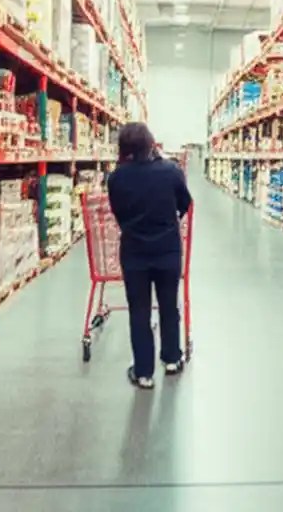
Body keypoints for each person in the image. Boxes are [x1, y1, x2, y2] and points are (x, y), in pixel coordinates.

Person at [106, 122, 192, 389]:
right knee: (169, 305)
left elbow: (117, 211)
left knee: (139, 311)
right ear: (150, 143)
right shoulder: (170, 171)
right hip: (167, 249)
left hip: (135, 253)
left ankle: (143, 372)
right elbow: (184, 203)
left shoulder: (117, 178)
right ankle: (171, 359)